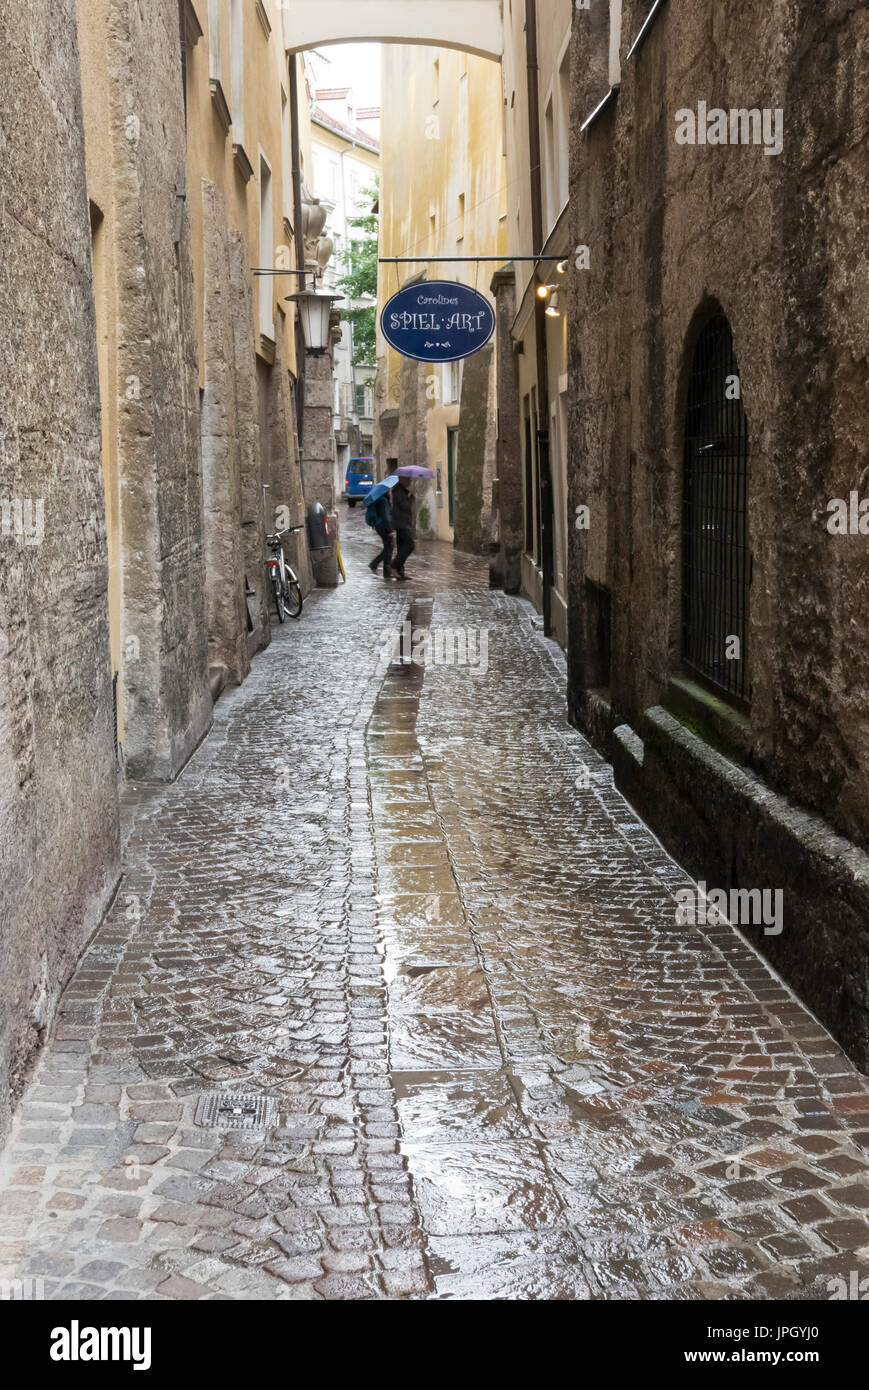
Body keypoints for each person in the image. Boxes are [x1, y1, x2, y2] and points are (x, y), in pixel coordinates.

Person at [368, 489, 396, 580]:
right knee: (389, 547)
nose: (390, 490)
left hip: (380, 526)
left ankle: (386, 572)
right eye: (389, 489)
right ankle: (374, 564)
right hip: (383, 526)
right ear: (385, 491)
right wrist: (390, 529)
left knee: (389, 547)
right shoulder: (383, 501)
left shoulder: (381, 499)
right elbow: (385, 516)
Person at [391, 476, 415, 581]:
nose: (410, 481)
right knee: (410, 545)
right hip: (402, 523)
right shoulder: (399, 492)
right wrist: (411, 497)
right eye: (408, 479)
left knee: (401, 548)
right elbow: (405, 506)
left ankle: (400, 574)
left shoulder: (401, 491)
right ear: (402, 479)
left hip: (402, 522)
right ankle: (393, 565)